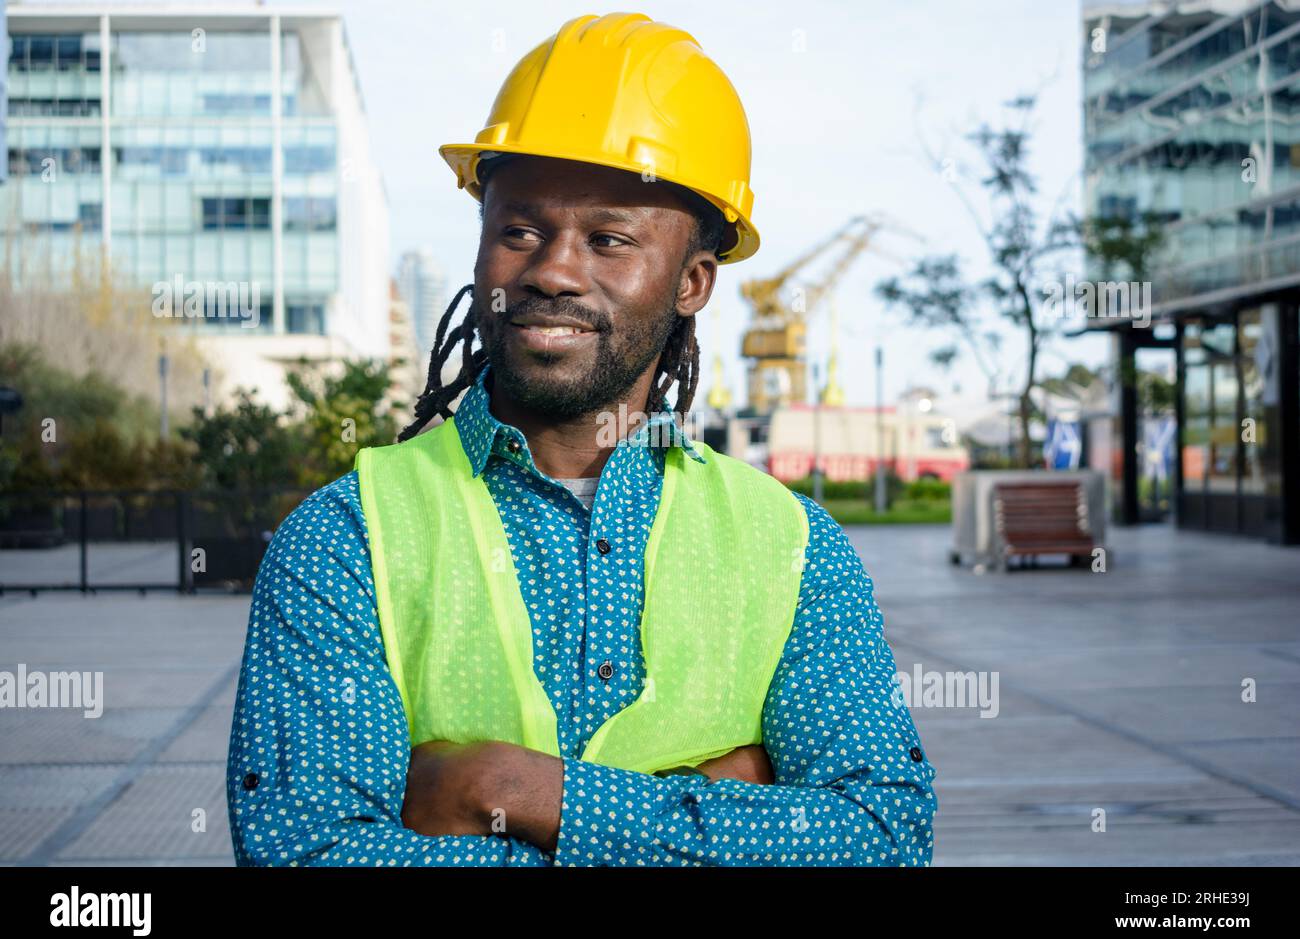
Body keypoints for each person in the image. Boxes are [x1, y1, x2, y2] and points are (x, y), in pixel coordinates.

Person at [226, 11, 936, 866]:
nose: (553, 270)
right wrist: (716, 811)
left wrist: (517, 792)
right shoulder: (346, 541)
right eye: (519, 231)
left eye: (609, 239)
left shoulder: (790, 547)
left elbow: (882, 840)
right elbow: (307, 854)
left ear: (693, 281)